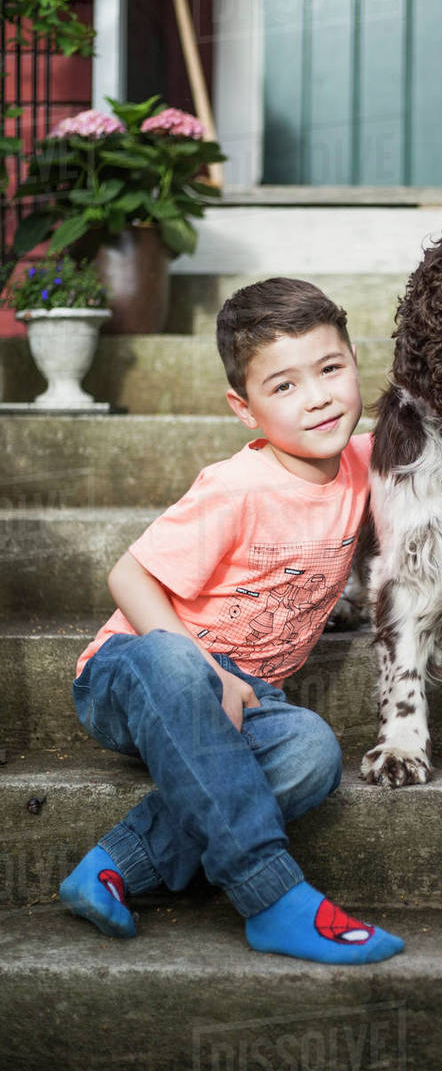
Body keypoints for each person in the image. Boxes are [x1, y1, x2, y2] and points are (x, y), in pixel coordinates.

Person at [59, 278, 403, 964]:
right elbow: (128, 576)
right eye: (283, 387)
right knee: (175, 662)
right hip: (133, 677)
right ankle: (271, 896)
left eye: (331, 369)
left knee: (311, 752)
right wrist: (209, 668)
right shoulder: (237, 486)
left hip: (240, 703)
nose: (317, 398)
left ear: (356, 363)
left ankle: (113, 866)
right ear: (243, 409)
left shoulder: (366, 467)